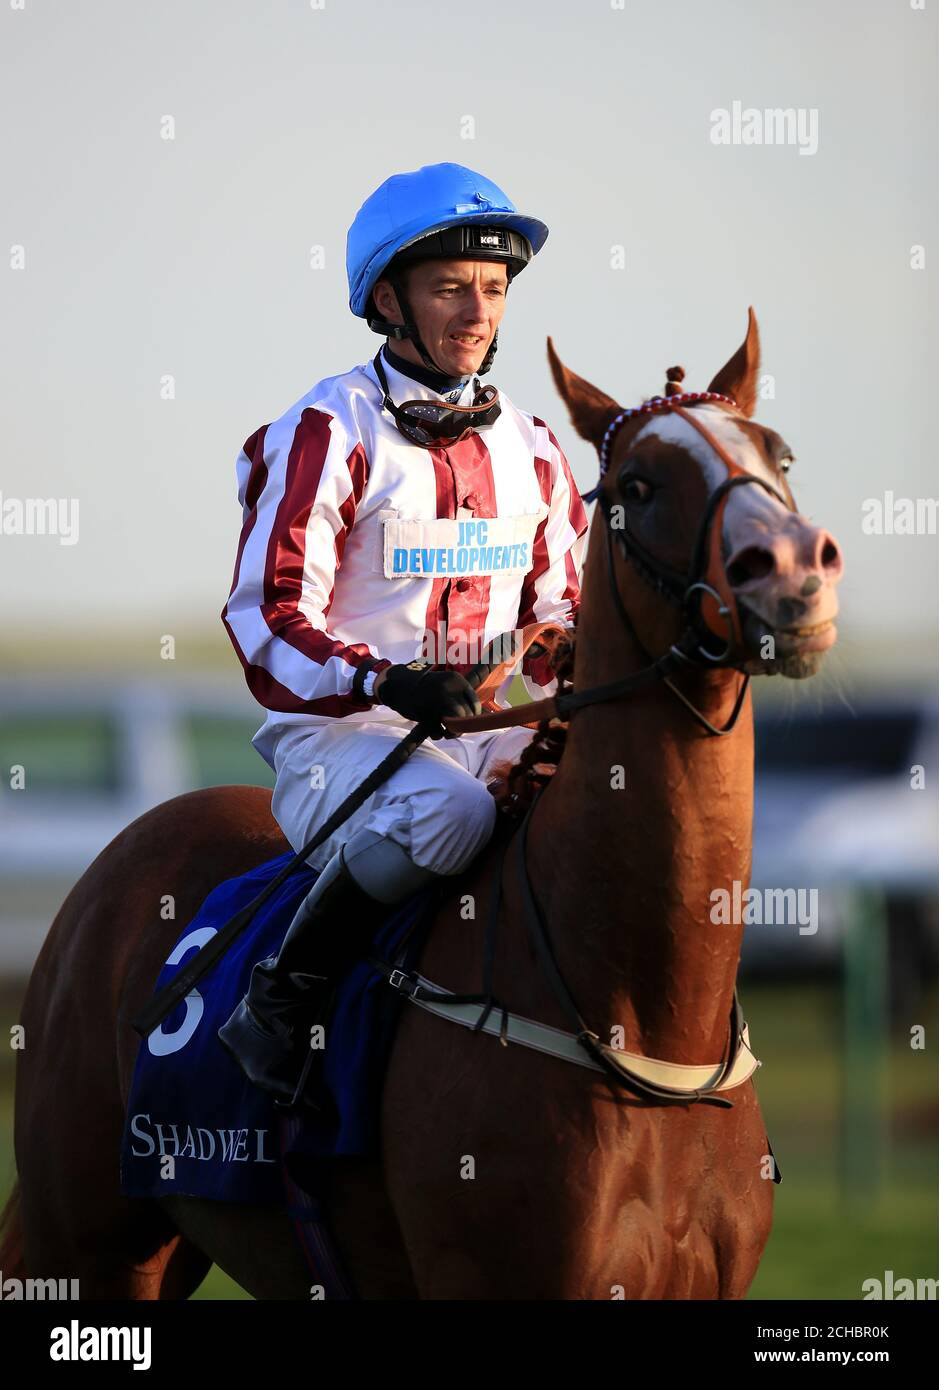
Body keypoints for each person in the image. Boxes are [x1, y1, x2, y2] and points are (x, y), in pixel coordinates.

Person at [217, 162, 589, 1102]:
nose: (476, 312)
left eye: (493, 290)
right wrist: (386, 682)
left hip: (492, 725)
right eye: (450, 287)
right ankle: (280, 997)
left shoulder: (537, 448)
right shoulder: (323, 428)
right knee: (450, 813)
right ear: (388, 298)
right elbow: (263, 616)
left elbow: (563, 611)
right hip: (341, 737)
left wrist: (563, 681)